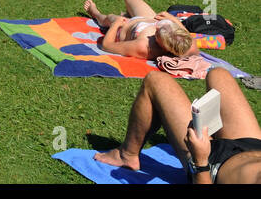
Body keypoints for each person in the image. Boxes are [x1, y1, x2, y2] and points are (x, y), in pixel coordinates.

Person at [94, 67, 261, 183]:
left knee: (156, 81)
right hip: (253, 146)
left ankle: (127, 155)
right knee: (219, 74)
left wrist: (201, 160)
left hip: (212, 165)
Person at [80, 0, 198, 59]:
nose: (157, 27)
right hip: (147, 19)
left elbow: (106, 46)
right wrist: (172, 19)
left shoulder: (144, 47)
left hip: (124, 26)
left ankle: (95, 13)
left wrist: (116, 25)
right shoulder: (187, 43)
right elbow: (185, 34)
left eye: (157, 33)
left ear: (162, 46)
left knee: (108, 18)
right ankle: (128, 14)